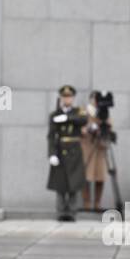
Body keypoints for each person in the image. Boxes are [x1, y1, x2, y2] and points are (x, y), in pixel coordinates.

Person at [47, 84, 87, 220]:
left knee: (73, 184)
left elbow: (83, 119)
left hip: (74, 150)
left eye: (69, 97)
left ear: (73, 98)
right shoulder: (54, 114)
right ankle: (61, 212)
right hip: (60, 150)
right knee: (60, 184)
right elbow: (51, 136)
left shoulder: (78, 111)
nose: (67, 99)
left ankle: (71, 212)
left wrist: (67, 117)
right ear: (61, 98)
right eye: (64, 97)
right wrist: (51, 153)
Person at [80, 90, 115, 212]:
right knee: (86, 176)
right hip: (87, 147)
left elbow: (109, 126)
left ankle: (97, 203)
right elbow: (80, 127)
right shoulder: (84, 111)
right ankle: (87, 203)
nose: (97, 102)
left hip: (100, 148)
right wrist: (90, 128)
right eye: (95, 99)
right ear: (91, 99)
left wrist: (104, 125)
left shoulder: (104, 112)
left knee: (100, 177)